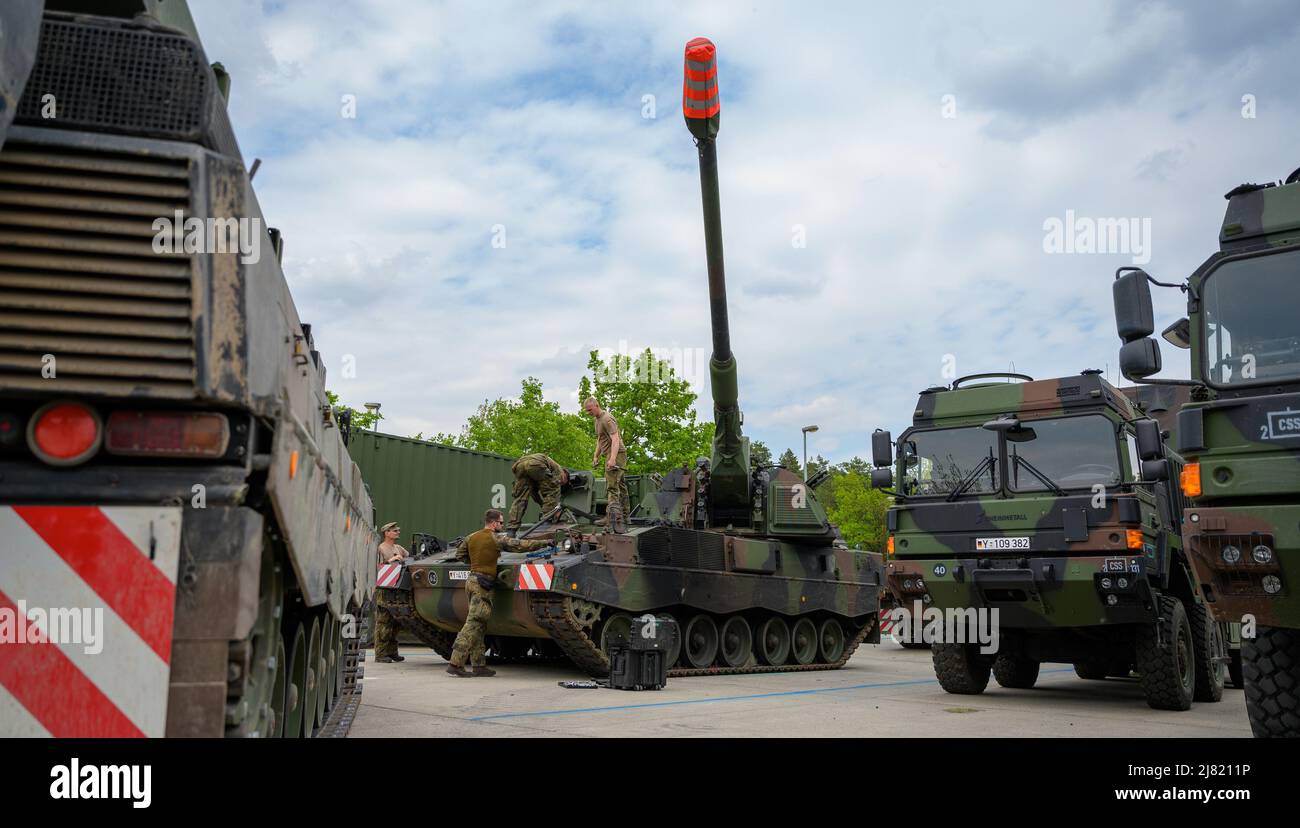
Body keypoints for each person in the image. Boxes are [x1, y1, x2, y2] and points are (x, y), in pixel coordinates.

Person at [446, 510, 551, 677]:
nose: (502, 526)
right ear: (494, 523)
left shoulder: (471, 537)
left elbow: (460, 555)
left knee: (479, 624)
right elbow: (520, 545)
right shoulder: (495, 538)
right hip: (483, 583)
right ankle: (455, 663)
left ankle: (479, 665)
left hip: (471, 580)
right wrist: (546, 543)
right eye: (501, 523)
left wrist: (477, 563)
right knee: (474, 622)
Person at [584, 396, 629, 532]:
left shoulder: (607, 419)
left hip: (617, 453)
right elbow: (600, 438)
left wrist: (613, 459)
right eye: (586, 411)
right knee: (620, 484)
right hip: (609, 454)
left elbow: (615, 439)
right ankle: (626, 516)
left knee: (612, 486)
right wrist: (596, 456)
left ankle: (611, 518)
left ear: (596, 405)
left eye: (590, 410)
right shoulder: (597, 420)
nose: (588, 413)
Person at [507, 452, 570, 532]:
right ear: (566, 477)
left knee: (520, 499)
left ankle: (511, 529)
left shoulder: (538, 477)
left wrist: (543, 505)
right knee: (554, 489)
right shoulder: (561, 471)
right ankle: (546, 523)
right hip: (535, 463)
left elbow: (534, 493)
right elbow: (551, 490)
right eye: (563, 483)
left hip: (520, 465)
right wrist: (549, 511)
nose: (561, 483)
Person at [374, 521, 406, 663]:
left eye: (398, 530)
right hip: (384, 589)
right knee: (383, 622)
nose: (397, 532)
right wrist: (392, 560)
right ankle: (380, 654)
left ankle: (392, 651)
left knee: (395, 623)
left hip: (396, 589)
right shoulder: (381, 548)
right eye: (394, 530)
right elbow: (377, 568)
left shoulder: (398, 547)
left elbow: (408, 557)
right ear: (386, 533)